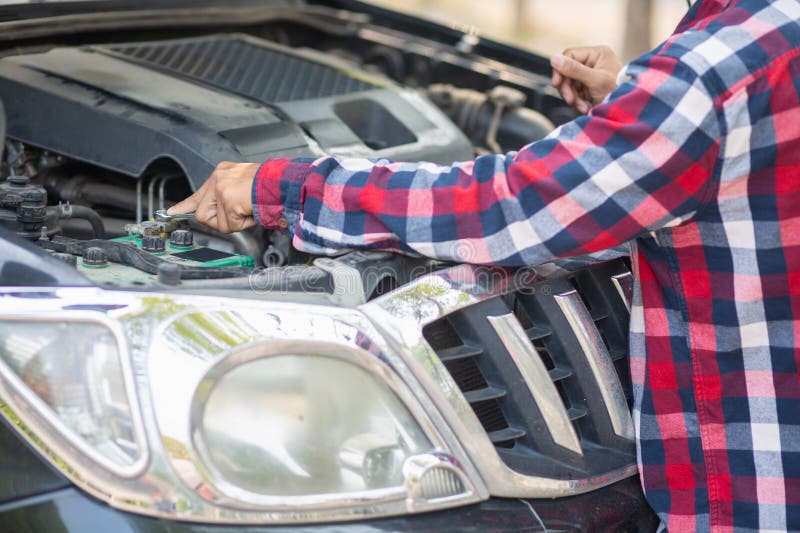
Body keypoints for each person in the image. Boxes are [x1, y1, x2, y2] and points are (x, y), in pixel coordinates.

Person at [169, 0, 800, 529]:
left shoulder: (714, 71)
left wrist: (288, 189)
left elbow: (507, 205)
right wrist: (637, 108)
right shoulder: (761, 47)